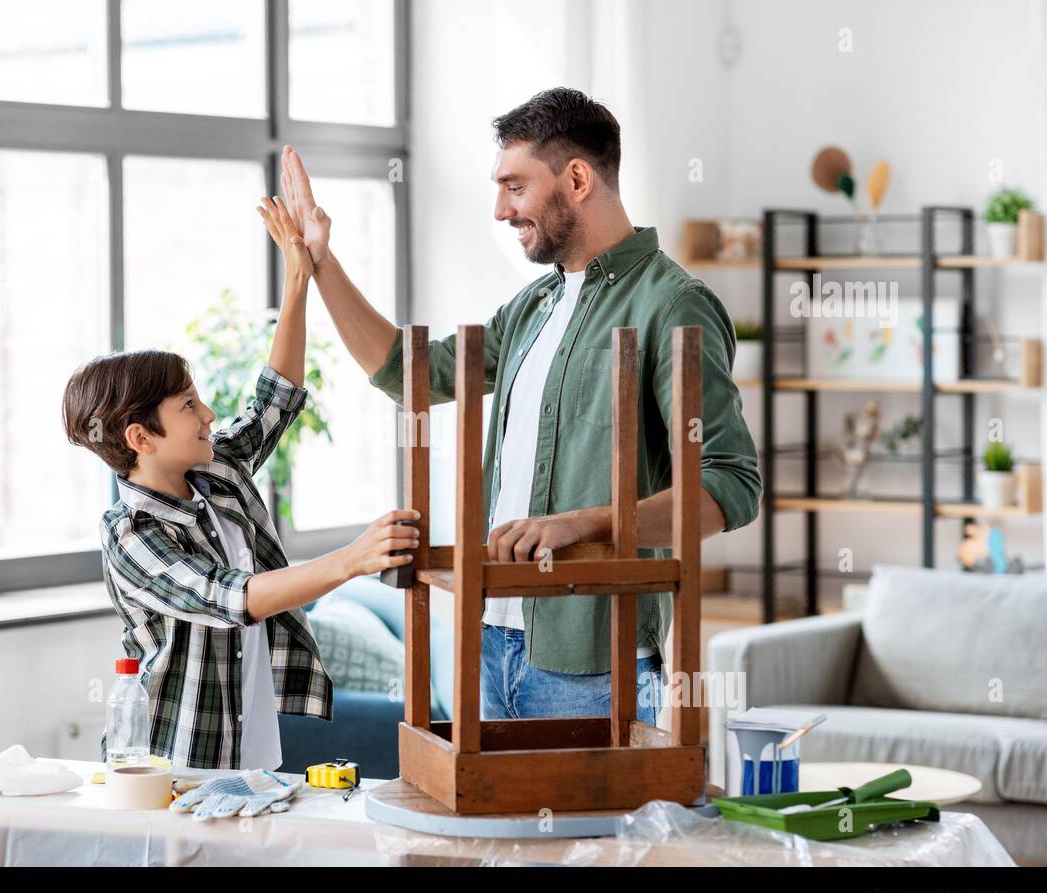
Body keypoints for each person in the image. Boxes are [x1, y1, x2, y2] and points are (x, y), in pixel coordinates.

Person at [277, 88, 762, 725]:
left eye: (515, 186)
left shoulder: (673, 304)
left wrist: (581, 524)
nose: (500, 209)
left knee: (595, 829)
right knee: (490, 830)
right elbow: (408, 373)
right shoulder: (532, 307)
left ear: (579, 178)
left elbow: (730, 485)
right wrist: (320, 261)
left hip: (594, 656)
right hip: (490, 637)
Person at [61, 195, 418, 769]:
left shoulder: (214, 472)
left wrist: (298, 281)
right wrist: (350, 560)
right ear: (139, 438)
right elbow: (233, 598)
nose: (207, 414)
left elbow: (273, 400)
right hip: (167, 760)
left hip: (244, 746)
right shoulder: (129, 534)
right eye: (188, 405)